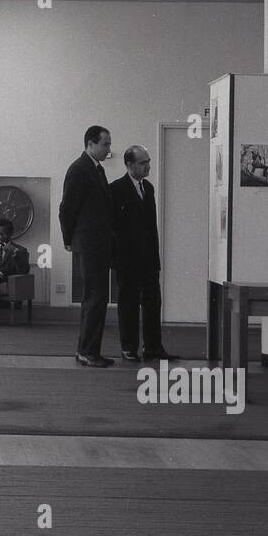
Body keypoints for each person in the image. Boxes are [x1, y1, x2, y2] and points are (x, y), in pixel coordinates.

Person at [59, 125, 117, 367]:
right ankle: (87, 351)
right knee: (95, 297)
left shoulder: (95, 169)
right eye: (105, 144)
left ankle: (88, 350)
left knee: (97, 297)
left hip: (96, 244)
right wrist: (69, 240)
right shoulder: (80, 169)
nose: (108, 149)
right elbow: (66, 209)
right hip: (90, 244)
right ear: (91, 144)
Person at [108, 145, 172, 361]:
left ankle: (153, 347)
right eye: (143, 163)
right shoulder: (116, 189)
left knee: (153, 302)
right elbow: (113, 227)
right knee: (129, 304)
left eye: (148, 161)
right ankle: (129, 348)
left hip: (149, 259)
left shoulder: (149, 188)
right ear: (129, 165)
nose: (148, 166)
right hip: (127, 260)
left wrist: (155, 257)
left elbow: (150, 226)